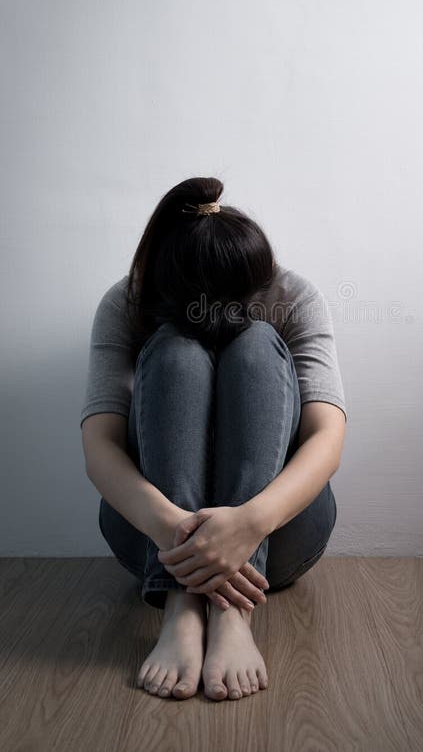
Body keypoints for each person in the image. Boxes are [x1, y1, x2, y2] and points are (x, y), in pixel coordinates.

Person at [80, 176, 347, 702]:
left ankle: (232, 612)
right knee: (177, 352)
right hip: (155, 538)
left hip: (280, 531)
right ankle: (180, 606)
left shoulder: (290, 293)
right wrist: (179, 536)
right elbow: (99, 446)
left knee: (255, 344)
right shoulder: (129, 299)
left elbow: (328, 436)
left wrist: (248, 524)